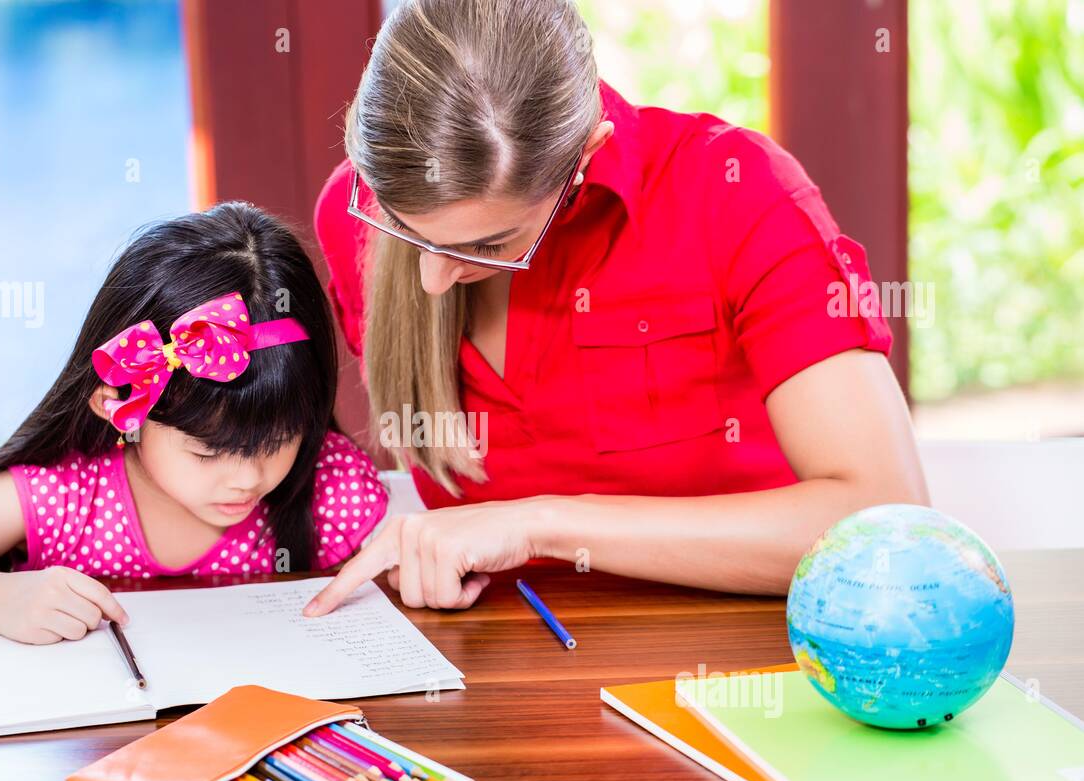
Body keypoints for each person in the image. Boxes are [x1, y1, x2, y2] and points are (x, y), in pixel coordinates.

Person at [303, 0, 926, 616]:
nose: (432, 281)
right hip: (496, 670)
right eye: (407, 232)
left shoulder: (734, 190)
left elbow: (884, 524)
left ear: (585, 157)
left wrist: (539, 526)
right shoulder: (346, 212)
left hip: (743, 654)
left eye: (489, 244)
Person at [0, 203, 388, 643]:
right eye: (207, 453)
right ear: (120, 406)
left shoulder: (329, 491)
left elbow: (406, 577)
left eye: (278, 441)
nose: (247, 478)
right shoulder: (69, 500)